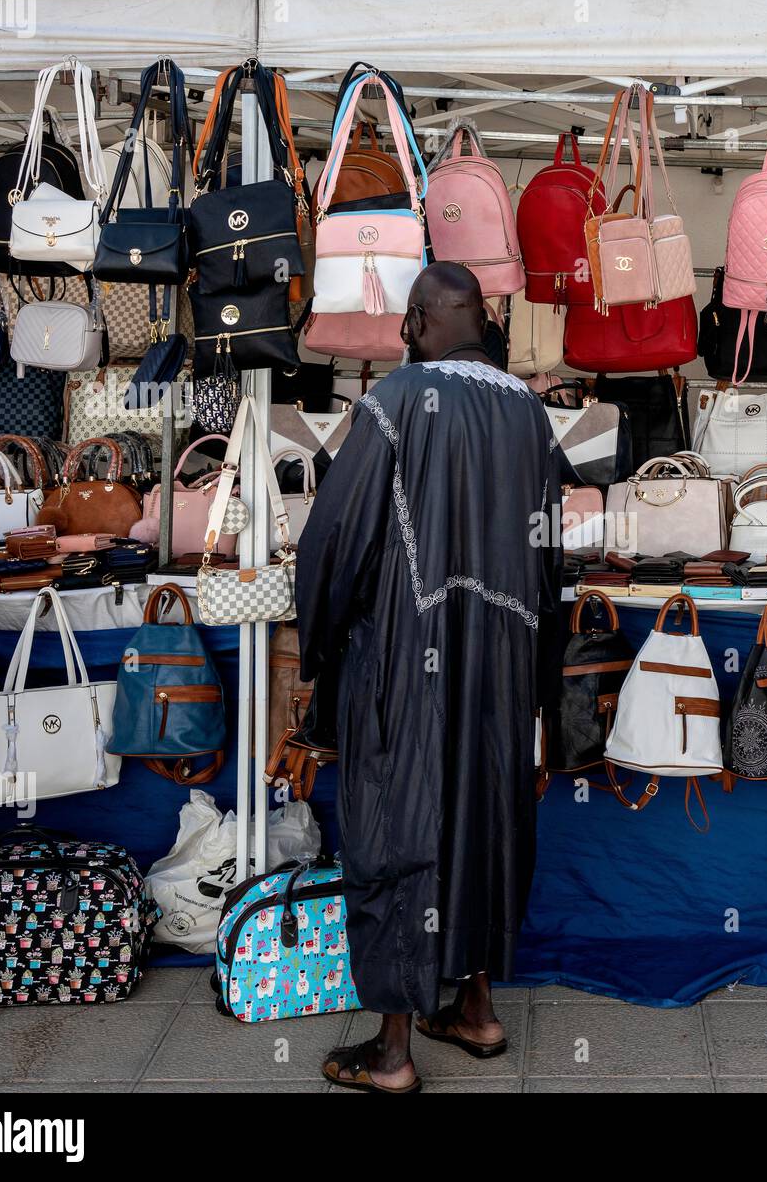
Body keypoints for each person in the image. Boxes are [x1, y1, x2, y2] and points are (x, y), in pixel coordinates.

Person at [296, 262, 561, 1093]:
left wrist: (320, 651)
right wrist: (539, 677)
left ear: (414, 322)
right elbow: (552, 551)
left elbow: (334, 540)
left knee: (401, 826)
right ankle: (476, 1011)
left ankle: (394, 1052)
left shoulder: (399, 401)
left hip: (408, 659)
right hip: (504, 660)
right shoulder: (530, 413)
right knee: (484, 816)